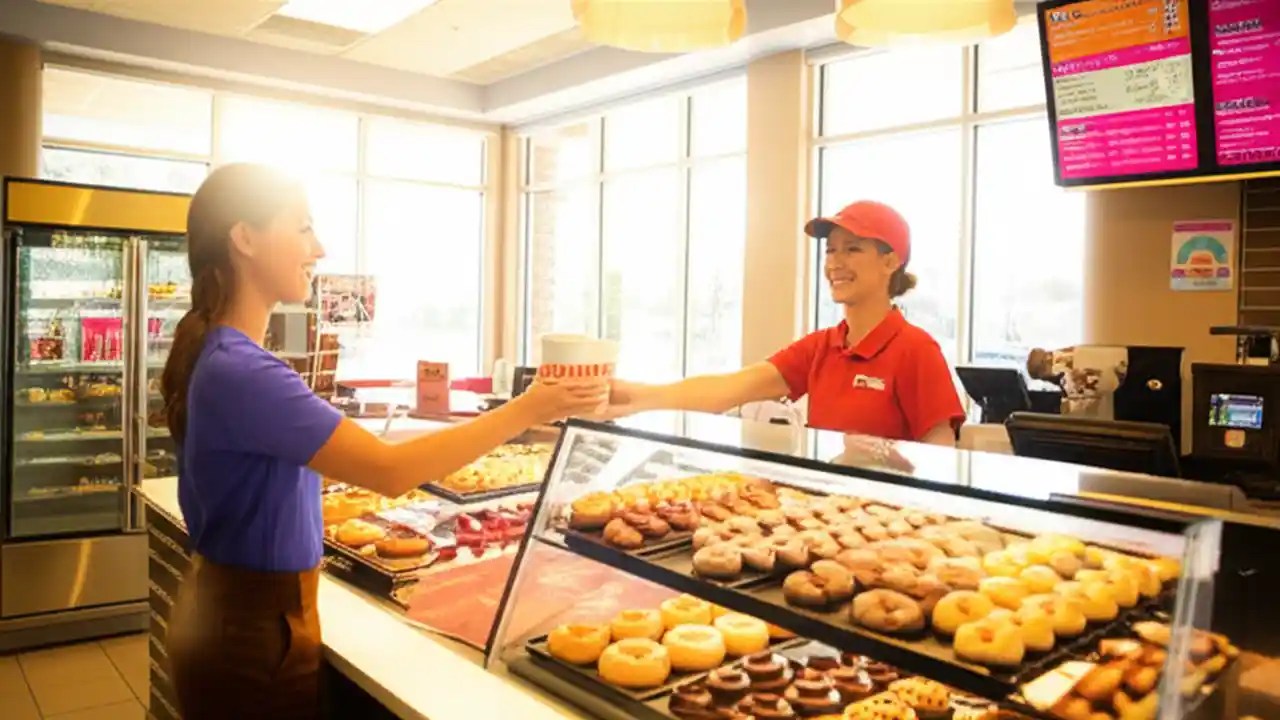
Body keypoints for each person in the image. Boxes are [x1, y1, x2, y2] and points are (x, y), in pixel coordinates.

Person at [161, 163, 606, 720]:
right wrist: (529, 408)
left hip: (238, 617)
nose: (318, 248)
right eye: (302, 228)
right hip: (251, 633)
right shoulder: (244, 371)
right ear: (244, 238)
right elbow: (392, 472)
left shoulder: (229, 359)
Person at [608, 200, 964, 446]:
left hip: (887, 530)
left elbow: (940, 458)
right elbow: (730, 388)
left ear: (890, 262)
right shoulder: (822, 347)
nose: (835, 263)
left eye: (852, 249)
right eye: (830, 250)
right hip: (827, 519)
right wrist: (636, 395)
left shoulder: (916, 349)